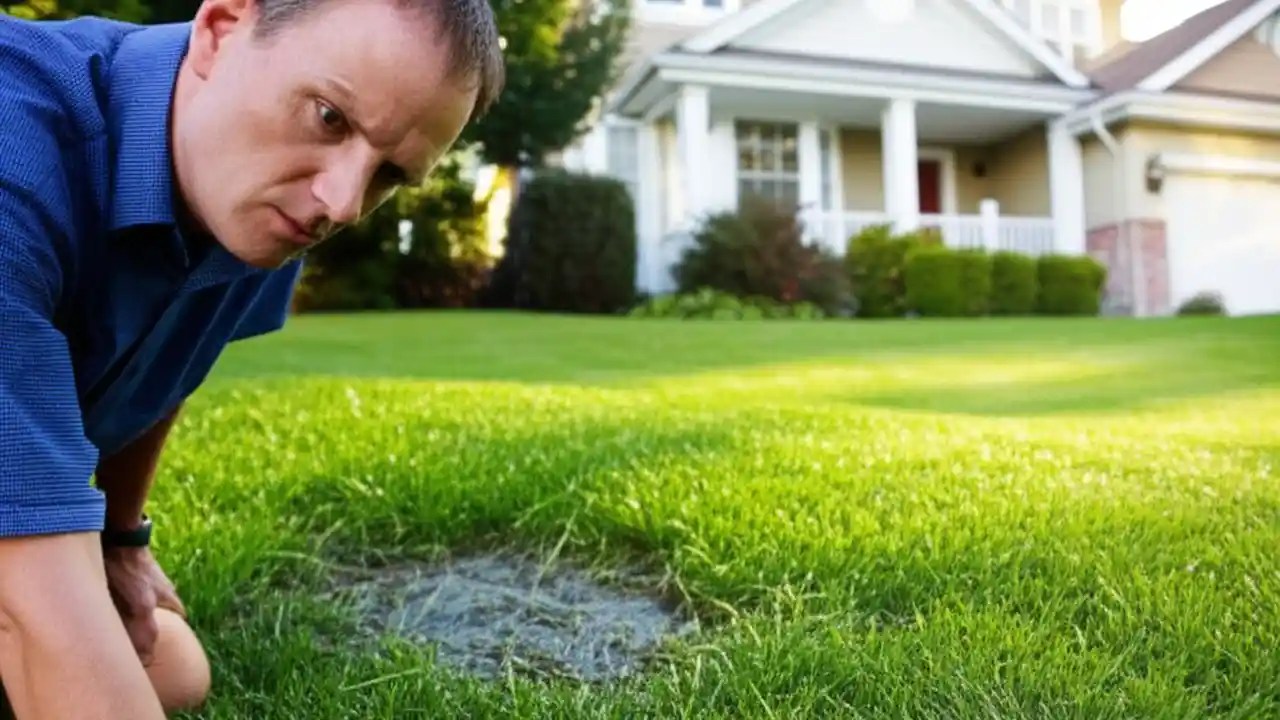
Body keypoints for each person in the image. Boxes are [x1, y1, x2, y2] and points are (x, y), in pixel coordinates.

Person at [0, 0, 504, 714]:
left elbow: (165, 362)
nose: (342, 203)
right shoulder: (16, 153)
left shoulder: (257, 203)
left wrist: (120, 536)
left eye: (389, 173)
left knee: (173, 667)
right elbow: (37, 607)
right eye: (329, 117)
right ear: (221, 30)